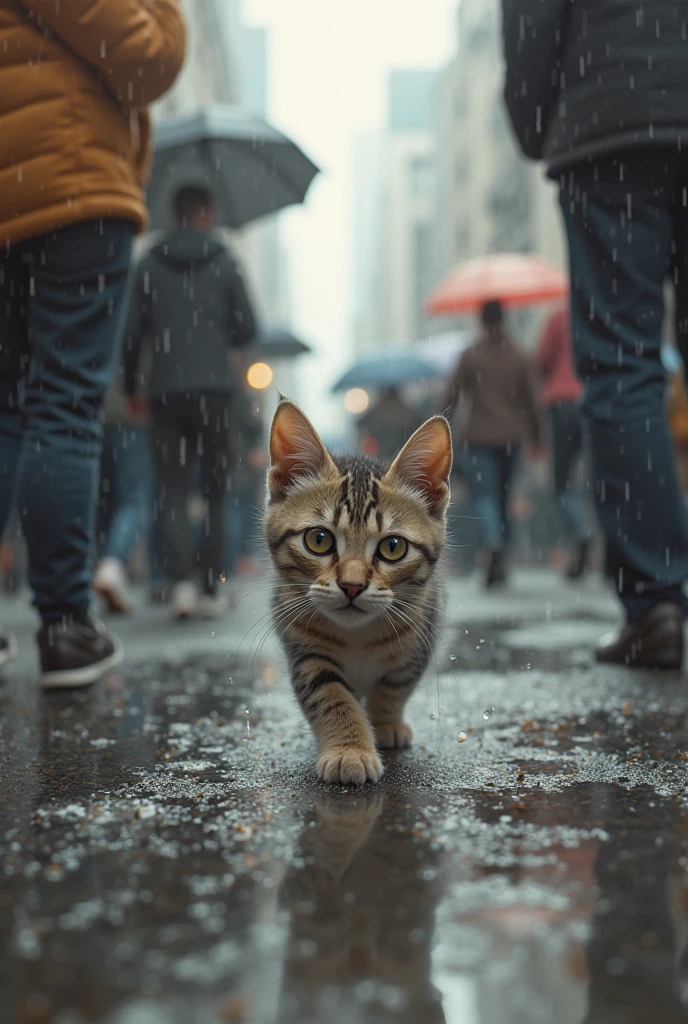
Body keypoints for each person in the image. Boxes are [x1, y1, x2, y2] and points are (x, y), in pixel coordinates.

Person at [0, 1, 185, 685]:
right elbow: (147, 57)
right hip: (71, 184)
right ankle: (65, 627)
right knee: (63, 404)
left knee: (10, 407)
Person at [503, 0, 688, 667]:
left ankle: (656, 599)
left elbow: (531, 22)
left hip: (613, 119)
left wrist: (534, 122)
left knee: (621, 361)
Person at [123, 185, 258, 620]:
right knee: (217, 491)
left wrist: (132, 388)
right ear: (209, 213)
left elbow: (131, 335)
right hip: (216, 392)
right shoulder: (224, 261)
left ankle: (180, 584)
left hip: (164, 391)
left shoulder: (148, 263)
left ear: (174, 213)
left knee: (172, 489)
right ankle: (211, 586)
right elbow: (248, 328)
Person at [443, 300, 544, 587]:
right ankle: (502, 551)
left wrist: (439, 428)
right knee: (503, 496)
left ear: (480, 322)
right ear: (505, 319)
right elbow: (534, 402)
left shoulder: (471, 355)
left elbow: (450, 396)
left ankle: (492, 541)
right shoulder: (520, 355)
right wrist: (537, 438)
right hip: (512, 438)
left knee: (485, 495)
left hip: (477, 437)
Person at [536, 303, 591, 579]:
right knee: (598, 481)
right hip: (595, 398)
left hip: (562, 404)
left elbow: (542, 360)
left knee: (562, 481)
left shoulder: (558, 315)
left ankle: (581, 531)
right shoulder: (594, 310)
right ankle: (607, 547)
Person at [94, 368, 154, 614]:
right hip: (131, 415)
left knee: (103, 502)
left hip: (94, 412)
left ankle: (103, 569)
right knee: (135, 500)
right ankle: (113, 565)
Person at [356, 386, 422, 459]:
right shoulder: (407, 409)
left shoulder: (376, 409)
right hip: (402, 454)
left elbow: (360, 423)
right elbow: (419, 424)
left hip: (382, 454)